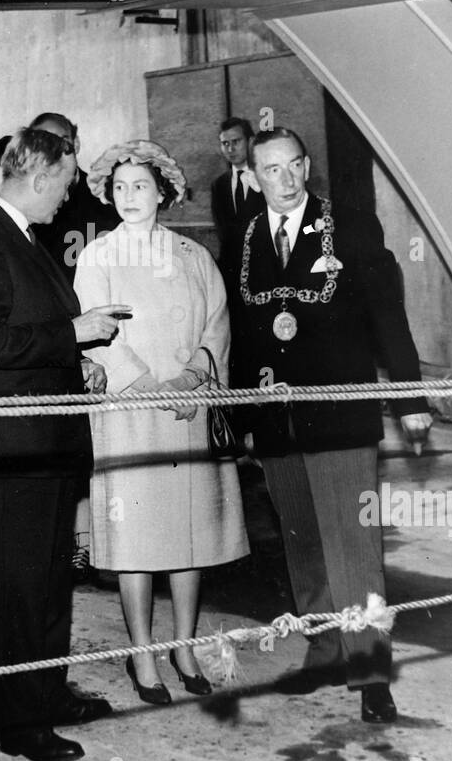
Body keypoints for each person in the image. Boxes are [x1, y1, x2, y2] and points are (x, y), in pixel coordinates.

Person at [226, 127, 431, 723]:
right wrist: (241, 414)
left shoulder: (354, 226)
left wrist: (410, 394)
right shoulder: (241, 235)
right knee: (302, 540)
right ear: (254, 174)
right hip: (275, 416)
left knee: (354, 543)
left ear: (307, 164)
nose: (285, 180)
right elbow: (240, 332)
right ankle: (324, 649)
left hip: (340, 414)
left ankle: (370, 670)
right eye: (271, 170)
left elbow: (387, 314)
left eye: (294, 166)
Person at [0, 126, 124, 761]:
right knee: (18, 589)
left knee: (49, 582)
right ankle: (20, 727)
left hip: (44, 439)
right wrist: (72, 332)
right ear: (42, 176)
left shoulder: (22, 237)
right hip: (12, 447)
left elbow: (28, 333)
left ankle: (47, 696)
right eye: (67, 183)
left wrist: (78, 361)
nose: (68, 197)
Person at [74, 140, 247, 702]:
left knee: (188, 532)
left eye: (140, 185)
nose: (129, 196)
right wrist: (146, 385)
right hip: (130, 414)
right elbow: (94, 330)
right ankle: (143, 653)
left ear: (164, 191)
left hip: (187, 410)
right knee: (136, 535)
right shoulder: (97, 257)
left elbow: (217, 324)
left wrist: (194, 376)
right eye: (119, 187)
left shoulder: (194, 256)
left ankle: (184, 644)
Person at [30, 112, 118, 580]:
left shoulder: (103, 198)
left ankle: (98, 542)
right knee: (58, 443)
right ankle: (70, 543)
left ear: (77, 142)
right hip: (53, 336)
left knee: (97, 443)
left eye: (63, 141)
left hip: (100, 334)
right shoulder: (34, 203)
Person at [29, 112, 116, 275]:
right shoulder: (27, 202)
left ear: (76, 144)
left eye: (61, 141)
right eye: (42, 143)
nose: (52, 151)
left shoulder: (107, 197)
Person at [211, 116, 265, 253]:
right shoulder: (218, 185)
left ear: (250, 141)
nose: (230, 149)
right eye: (225, 143)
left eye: (236, 141)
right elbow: (223, 233)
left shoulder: (265, 178)